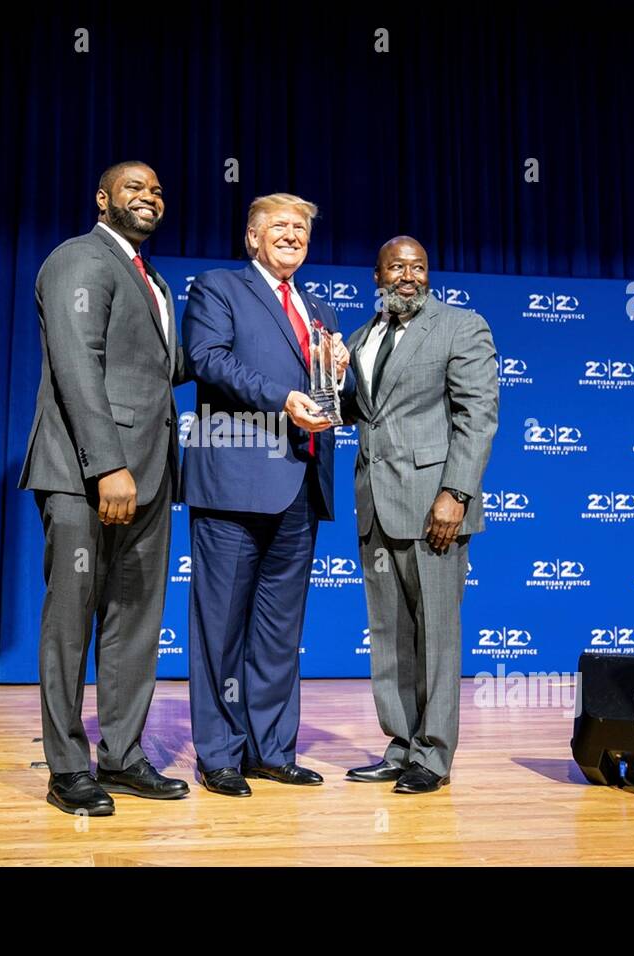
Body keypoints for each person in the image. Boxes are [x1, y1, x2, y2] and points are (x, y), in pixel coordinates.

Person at [18, 161, 190, 815]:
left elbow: (164, 370)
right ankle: (68, 768)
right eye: (134, 188)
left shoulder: (155, 283)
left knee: (134, 624)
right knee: (70, 623)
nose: (149, 195)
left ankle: (121, 757)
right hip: (86, 476)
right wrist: (104, 466)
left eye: (157, 188)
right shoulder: (79, 258)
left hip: (149, 477)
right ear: (102, 199)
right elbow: (76, 362)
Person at [181, 193, 352, 797]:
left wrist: (337, 369)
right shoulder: (218, 288)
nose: (290, 235)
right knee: (220, 630)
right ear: (252, 238)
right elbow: (208, 360)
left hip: (300, 487)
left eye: (300, 227)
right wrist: (284, 399)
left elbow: (332, 399)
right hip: (233, 484)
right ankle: (220, 754)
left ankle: (271, 750)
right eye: (278, 226)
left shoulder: (318, 309)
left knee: (280, 633)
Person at [342, 236, 499, 794]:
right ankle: (400, 743)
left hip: (435, 506)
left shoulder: (460, 326)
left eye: (418, 267)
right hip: (376, 505)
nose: (408, 276)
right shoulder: (361, 337)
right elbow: (355, 410)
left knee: (436, 635)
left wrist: (455, 493)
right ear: (377, 274)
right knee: (389, 635)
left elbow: (477, 416)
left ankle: (432, 756)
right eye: (396, 266)